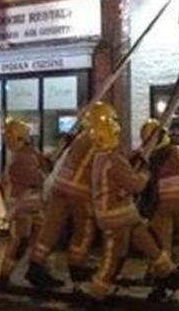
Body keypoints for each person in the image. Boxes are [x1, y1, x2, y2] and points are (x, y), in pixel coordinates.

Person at [82, 110, 173, 303]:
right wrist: (146, 173)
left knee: (149, 244)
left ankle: (167, 275)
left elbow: (119, 176)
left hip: (121, 214)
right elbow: (136, 185)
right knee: (114, 256)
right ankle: (96, 294)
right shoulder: (112, 159)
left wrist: (134, 157)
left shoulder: (100, 157)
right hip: (117, 216)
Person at [26, 101, 113, 288]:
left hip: (60, 186)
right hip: (80, 191)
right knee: (85, 228)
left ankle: (35, 265)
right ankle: (77, 267)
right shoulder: (100, 138)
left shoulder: (79, 138)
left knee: (51, 226)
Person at [139, 118, 179, 275]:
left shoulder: (147, 159)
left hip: (161, 207)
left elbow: (143, 186)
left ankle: (162, 273)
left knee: (161, 243)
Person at [0, 118, 46, 283]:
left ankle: (37, 270)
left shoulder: (27, 154)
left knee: (39, 240)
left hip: (32, 203)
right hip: (22, 204)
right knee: (20, 241)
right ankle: (5, 275)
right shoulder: (21, 158)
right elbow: (36, 178)